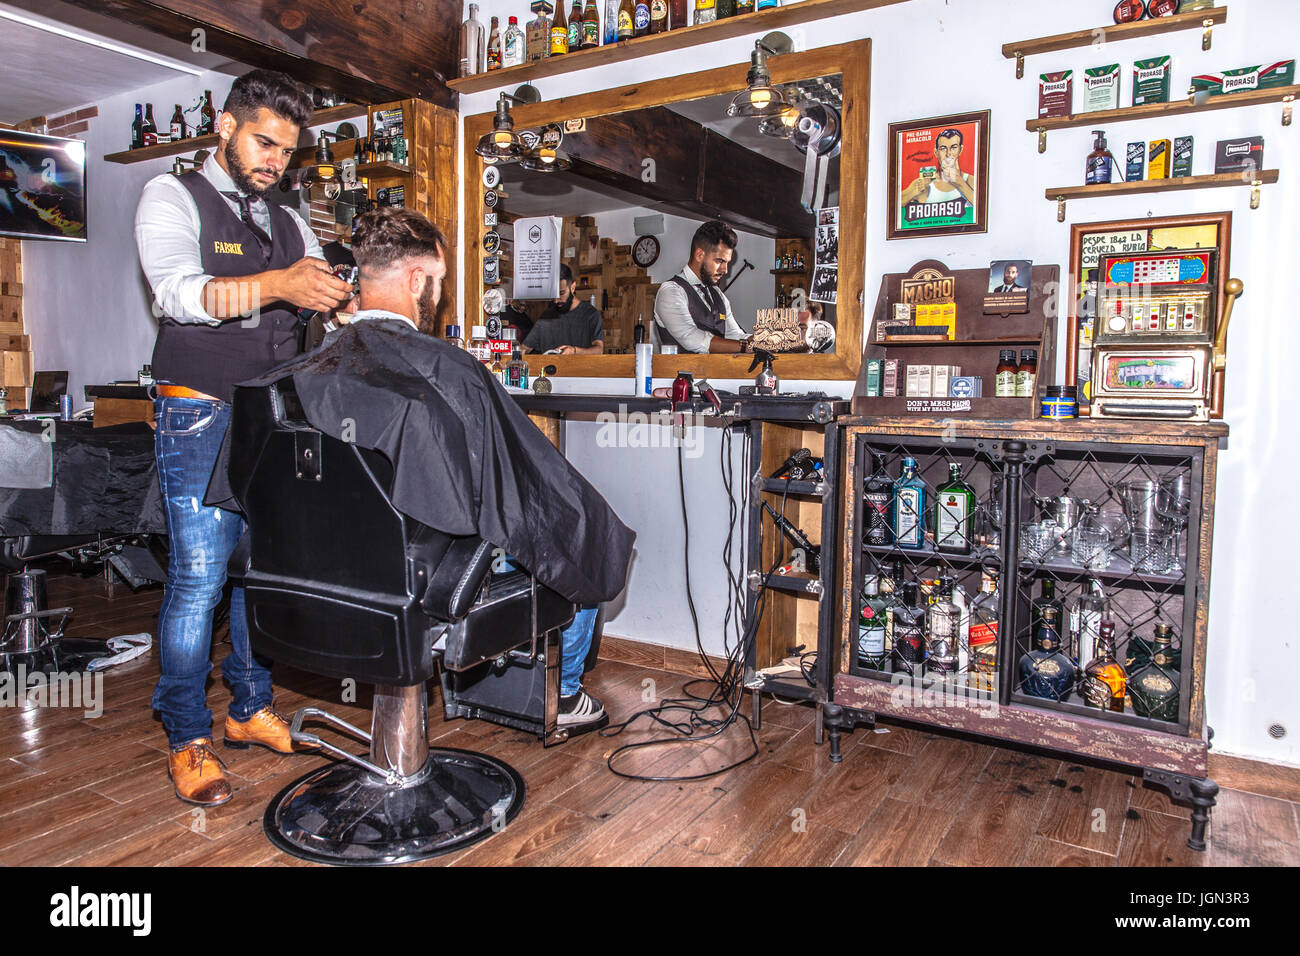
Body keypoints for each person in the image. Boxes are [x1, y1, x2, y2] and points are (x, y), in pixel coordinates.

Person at [210, 207, 634, 730]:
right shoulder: (447, 372)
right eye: (438, 282)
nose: (439, 294)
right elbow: (518, 494)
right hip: (412, 587)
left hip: (302, 586)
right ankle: (565, 699)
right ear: (417, 280)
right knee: (584, 531)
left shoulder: (282, 383)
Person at [135, 69, 353, 807]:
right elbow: (177, 294)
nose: (274, 162)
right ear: (225, 127)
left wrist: (342, 303)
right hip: (198, 409)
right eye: (264, 142)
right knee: (199, 577)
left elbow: (312, 295)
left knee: (258, 570)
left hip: (271, 415)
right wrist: (280, 285)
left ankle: (247, 708)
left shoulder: (290, 218)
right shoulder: (171, 195)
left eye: (287, 152)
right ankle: (186, 733)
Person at [653, 219, 753, 354]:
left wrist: (764, 340)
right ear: (699, 255)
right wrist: (748, 346)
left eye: (727, 263)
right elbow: (693, 340)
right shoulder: (671, 291)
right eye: (719, 261)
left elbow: (734, 334)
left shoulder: (718, 294)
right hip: (680, 374)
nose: (725, 270)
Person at [521, 264, 604, 355]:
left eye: (561, 293)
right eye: (553, 295)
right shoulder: (546, 317)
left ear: (572, 287)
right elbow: (524, 349)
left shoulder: (590, 314)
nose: (556, 300)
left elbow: (599, 349)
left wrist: (574, 351)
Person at [899, 128, 976, 209]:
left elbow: (984, 208)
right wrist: (912, 193)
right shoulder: (925, 183)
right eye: (943, 148)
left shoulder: (971, 181)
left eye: (954, 147)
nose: (948, 153)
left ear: (960, 150)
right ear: (936, 153)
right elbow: (893, 204)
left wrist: (960, 183)